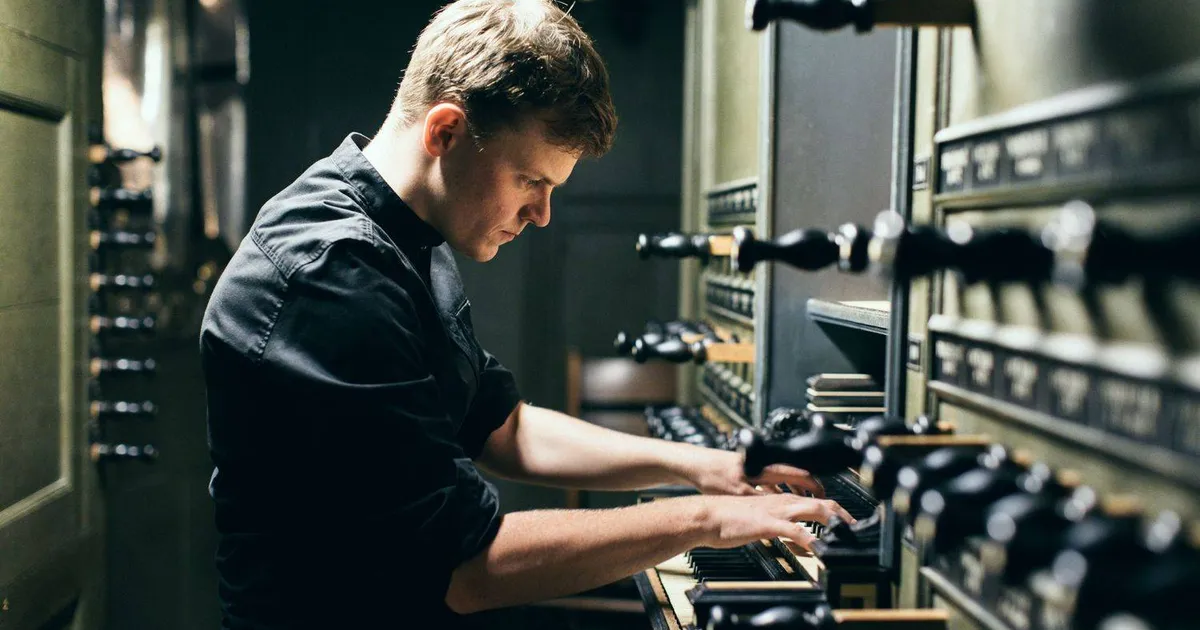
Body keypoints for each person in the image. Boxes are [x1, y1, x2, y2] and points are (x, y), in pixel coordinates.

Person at [199, 1, 853, 628]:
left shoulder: (406, 234)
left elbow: (504, 429)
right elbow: (467, 568)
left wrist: (704, 465)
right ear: (446, 131)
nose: (542, 215)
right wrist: (706, 519)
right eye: (531, 182)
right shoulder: (330, 278)